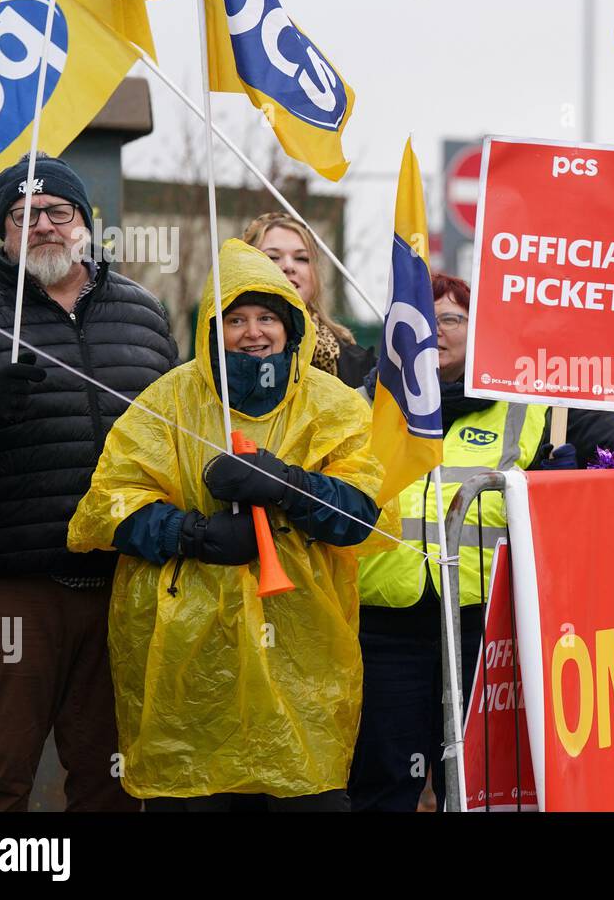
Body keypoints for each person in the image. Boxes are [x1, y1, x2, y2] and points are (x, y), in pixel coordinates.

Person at [68, 238, 396, 810]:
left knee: (306, 791)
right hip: (190, 662)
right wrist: (193, 535)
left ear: (291, 324)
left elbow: (360, 514)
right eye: (236, 318)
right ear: (210, 330)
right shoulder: (167, 401)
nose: (253, 332)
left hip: (304, 650)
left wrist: (287, 485)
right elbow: (107, 506)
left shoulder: (336, 405)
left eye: (267, 316)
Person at [0, 152, 178, 811]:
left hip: (123, 586)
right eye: (20, 215)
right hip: (9, 588)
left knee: (112, 784)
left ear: (84, 222)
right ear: (3, 233)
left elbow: (177, 435)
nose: (40, 225)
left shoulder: (146, 313)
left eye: (55, 211)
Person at [348, 273, 614, 811]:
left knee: (479, 786)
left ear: (481, 333)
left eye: (453, 319)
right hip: (385, 626)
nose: (435, 332)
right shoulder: (362, 402)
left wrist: (575, 479)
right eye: (421, 318)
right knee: (383, 782)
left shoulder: (529, 403)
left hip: (481, 625)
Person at [242, 211, 375, 387]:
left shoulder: (356, 365)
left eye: (301, 258)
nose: (289, 266)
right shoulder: (222, 346)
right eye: (273, 257)